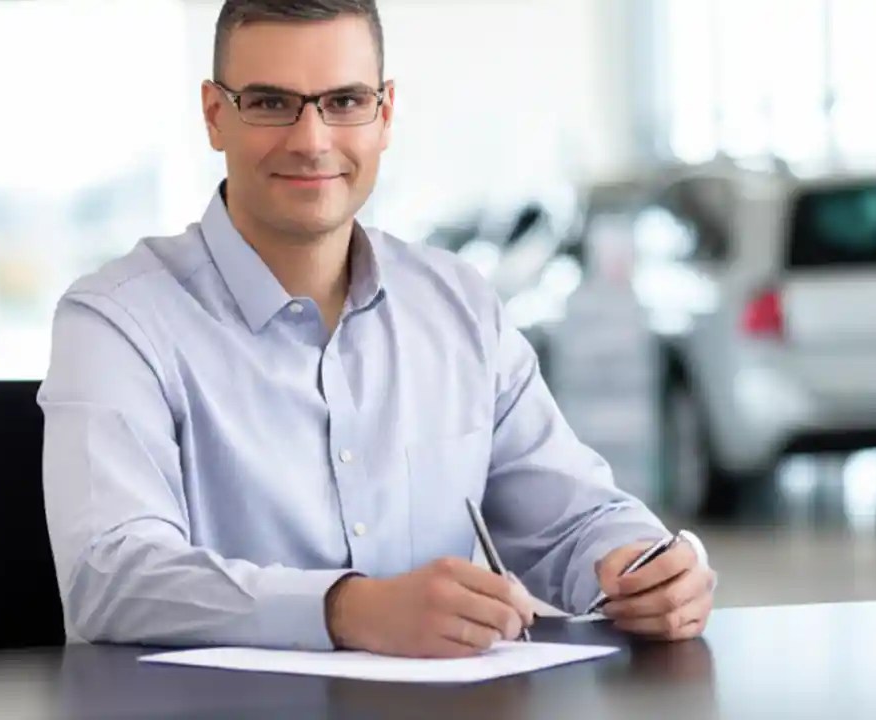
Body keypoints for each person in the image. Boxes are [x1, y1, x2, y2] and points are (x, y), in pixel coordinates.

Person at [40, 0, 716, 659]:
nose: (311, 141)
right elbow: (113, 574)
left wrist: (641, 564)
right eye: (272, 103)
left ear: (384, 113)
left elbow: (573, 519)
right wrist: (350, 610)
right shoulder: (116, 320)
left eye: (343, 102)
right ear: (216, 116)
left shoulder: (460, 307)